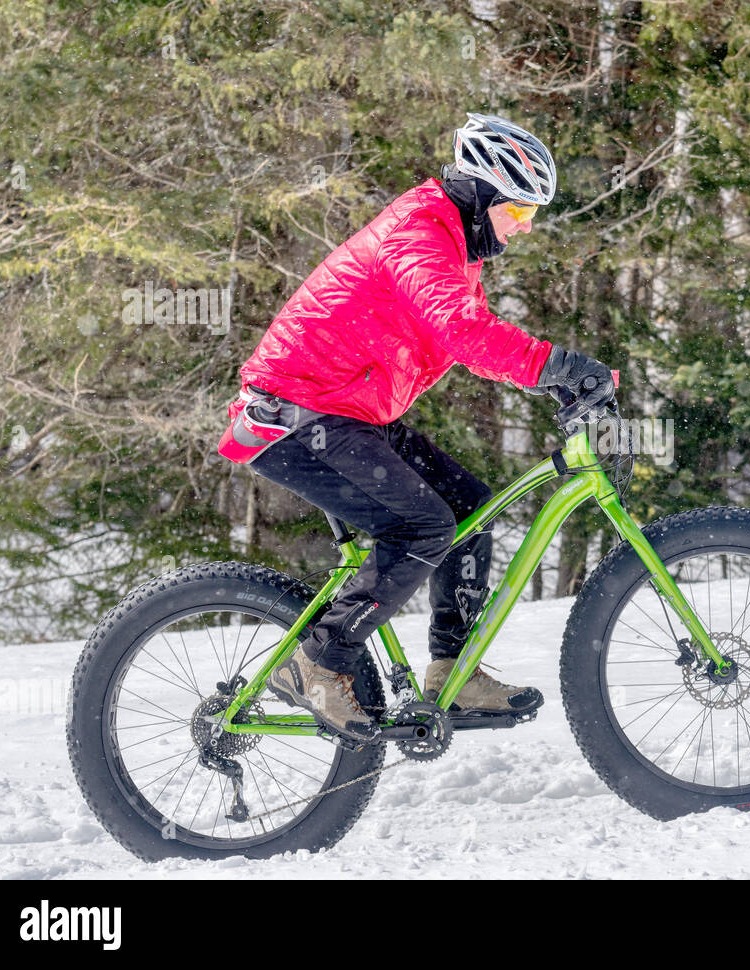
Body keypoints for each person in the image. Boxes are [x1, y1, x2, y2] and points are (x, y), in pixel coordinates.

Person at [216, 113, 615, 741]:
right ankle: (317, 663)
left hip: (344, 410)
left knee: (469, 510)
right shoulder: (418, 234)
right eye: (518, 209)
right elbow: (462, 331)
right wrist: (557, 366)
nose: (525, 226)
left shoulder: (450, 242)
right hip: (295, 413)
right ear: (481, 194)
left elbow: (466, 338)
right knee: (422, 527)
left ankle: (453, 673)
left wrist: (556, 380)